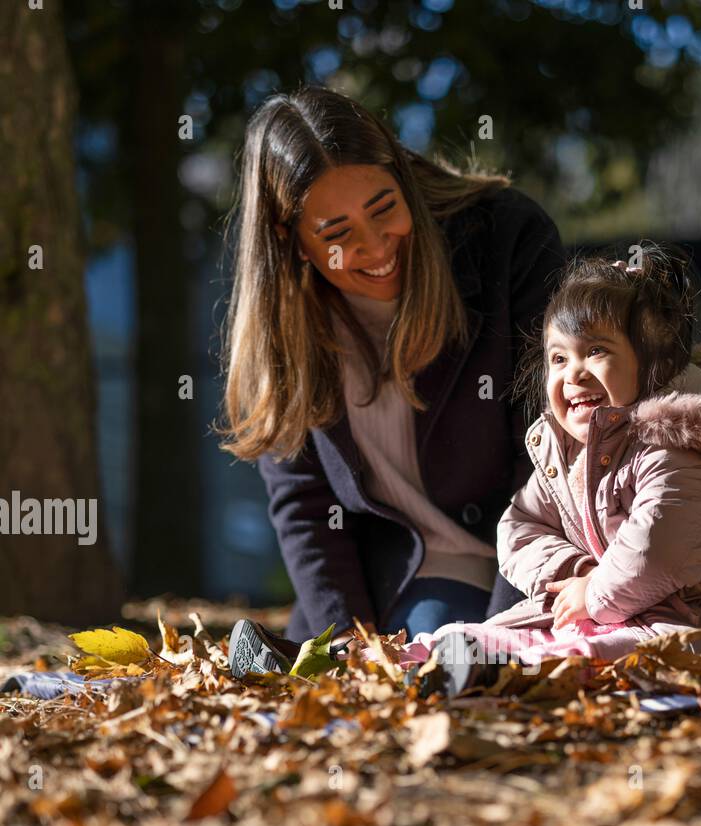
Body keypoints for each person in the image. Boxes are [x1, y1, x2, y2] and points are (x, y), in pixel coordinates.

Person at [217, 86, 565, 677]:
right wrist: (341, 652)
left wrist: (510, 636)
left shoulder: (508, 240)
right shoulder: (285, 325)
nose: (375, 248)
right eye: (336, 234)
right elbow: (306, 506)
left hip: (523, 557)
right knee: (393, 668)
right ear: (289, 238)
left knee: (446, 663)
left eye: (384, 209)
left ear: (403, 177)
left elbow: (553, 453)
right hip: (398, 576)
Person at [404, 248, 701, 690]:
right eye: (559, 358)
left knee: (619, 656)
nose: (574, 374)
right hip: (615, 610)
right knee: (501, 630)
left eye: (596, 351)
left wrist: (596, 593)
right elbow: (520, 525)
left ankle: (511, 672)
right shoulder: (567, 453)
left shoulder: (681, 449)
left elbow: (659, 553)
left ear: (654, 365)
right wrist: (573, 574)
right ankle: (454, 655)